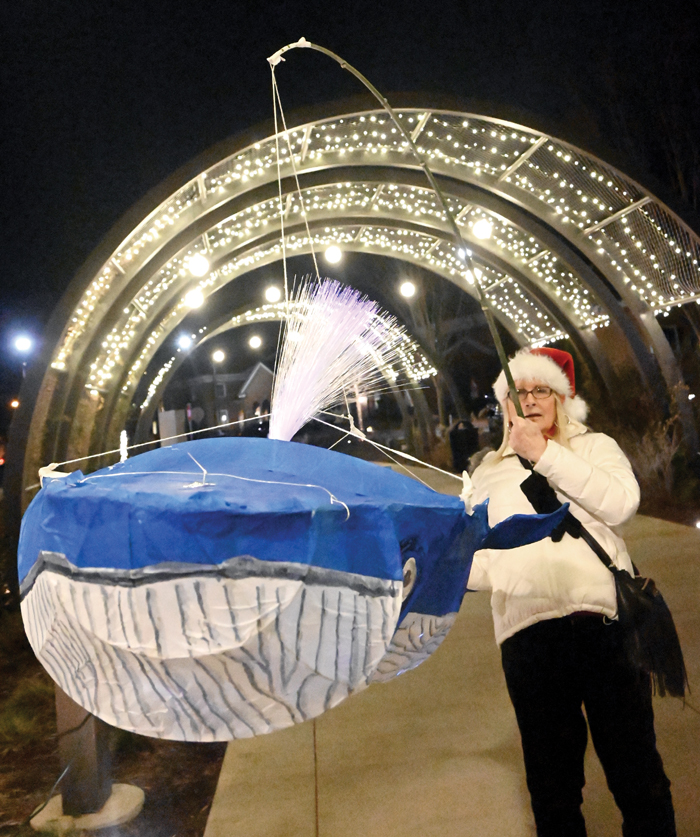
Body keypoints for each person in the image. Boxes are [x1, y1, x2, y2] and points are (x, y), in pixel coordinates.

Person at [467, 347, 675, 837]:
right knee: (553, 786)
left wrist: (543, 454)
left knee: (635, 770)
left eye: (543, 389)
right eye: (519, 392)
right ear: (505, 405)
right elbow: (480, 572)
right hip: (529, 639)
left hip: (603, 627)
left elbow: (621, 504)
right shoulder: (485, 474)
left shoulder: (593, 448)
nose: (531, 400)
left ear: (562, 399)